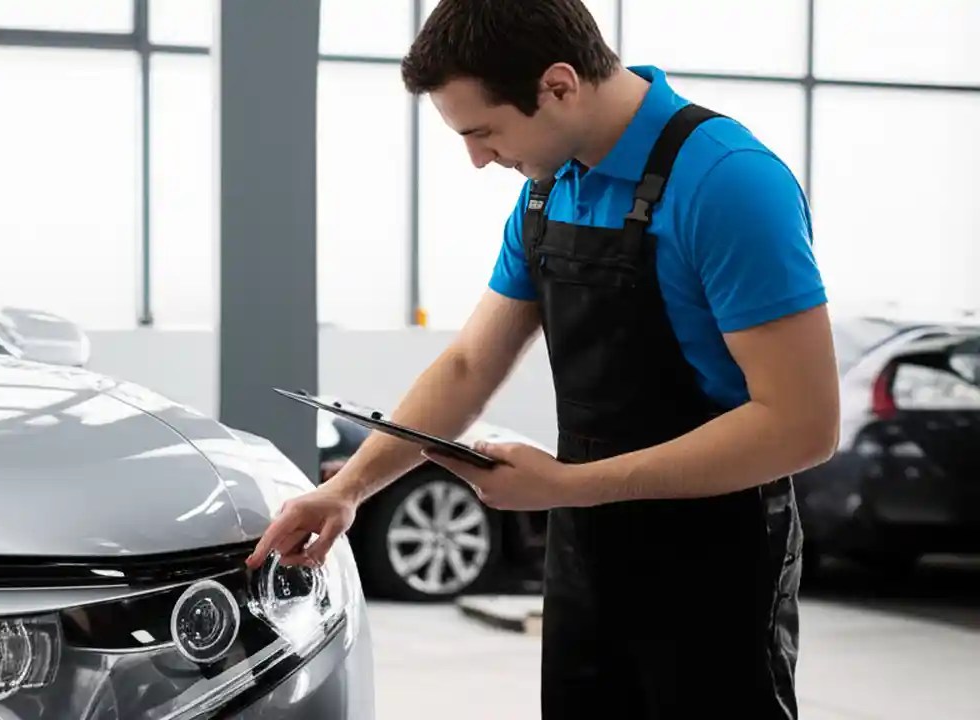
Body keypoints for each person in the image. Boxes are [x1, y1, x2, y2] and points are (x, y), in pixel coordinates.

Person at [248, 0, 840, 717]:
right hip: (585, 547)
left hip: (716, 557)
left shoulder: (730, 183)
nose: (476, 158)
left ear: (558, 85)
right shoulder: (548, 192)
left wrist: (571, 484)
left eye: (484, 131)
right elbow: (470, 364)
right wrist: (349, 489)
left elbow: (803, 425)